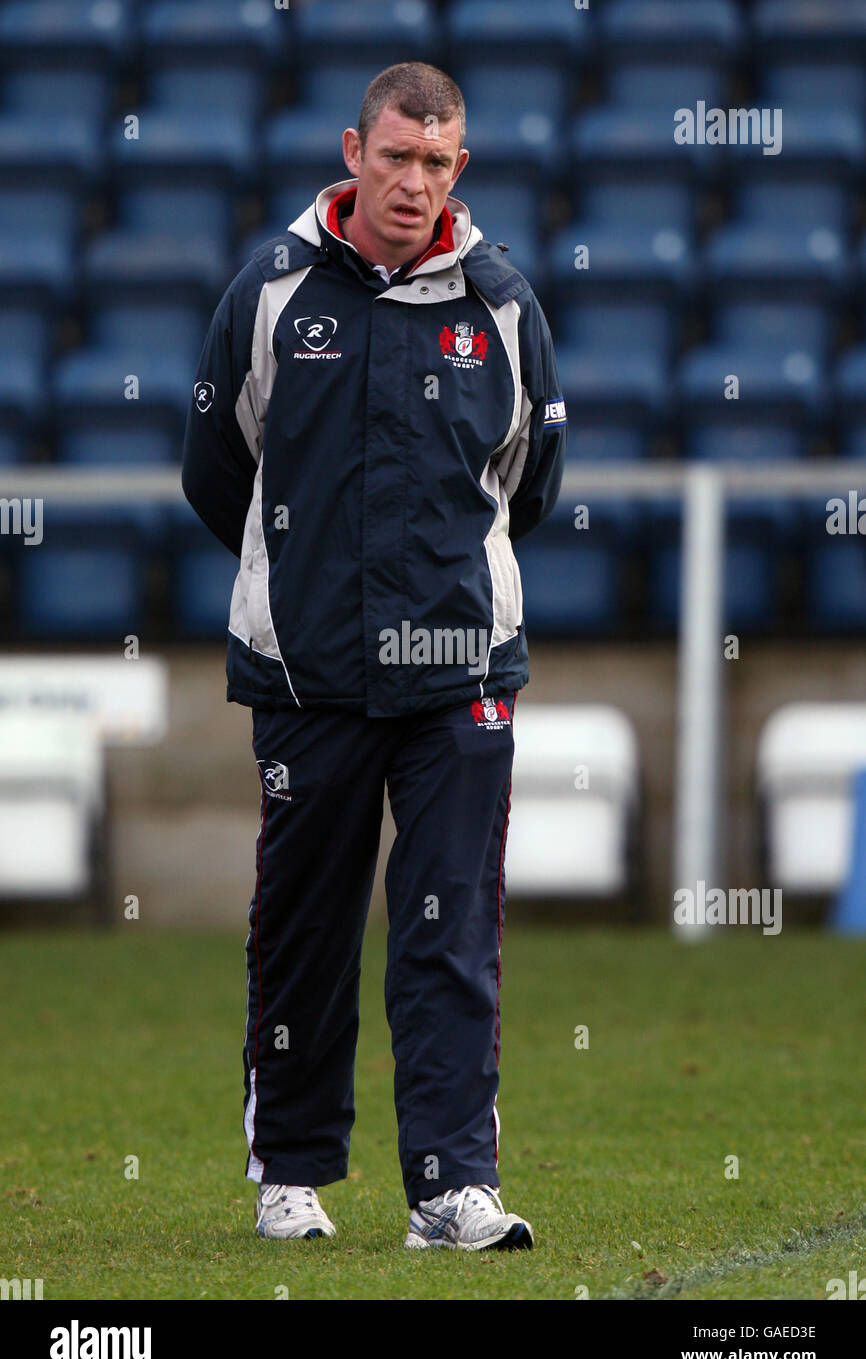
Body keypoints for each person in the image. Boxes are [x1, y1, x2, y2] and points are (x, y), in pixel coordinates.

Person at [181, 62, 566, 1252]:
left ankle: (451, 1187)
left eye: (435, 162)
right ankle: (289, 1174)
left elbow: (523, 489)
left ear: (461, 169)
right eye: (394, 156)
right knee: (303, 925)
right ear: (354, 151)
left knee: (446, 930)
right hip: (307, 674)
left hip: (459, 674)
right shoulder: (270, 292)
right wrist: (308, 587)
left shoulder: (500, 304)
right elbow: (219, 474)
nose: (411, 181)